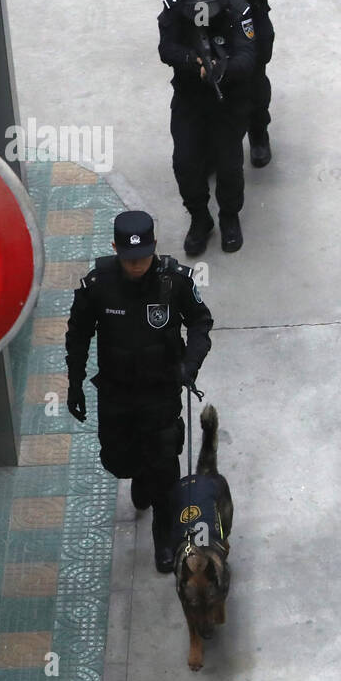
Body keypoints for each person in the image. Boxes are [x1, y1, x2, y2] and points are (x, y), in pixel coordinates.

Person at [65, 211, 214, 572]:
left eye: (143, 258)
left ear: (154, 249)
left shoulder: (174, 281)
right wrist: (74, 382)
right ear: (115, 249)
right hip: (116, 393)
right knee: (120, 461)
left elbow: (200, 321)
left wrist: (189, 365)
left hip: (160, 391)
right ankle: (140, 474)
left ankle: (165, 538)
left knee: (164, 467)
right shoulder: (98, 285)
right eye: (129, 259)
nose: (137, 266)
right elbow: (79, 333)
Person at [157, 0, 275, 166]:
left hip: (247, 16)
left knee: (254, 80)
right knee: (204, 83)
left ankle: (259, 133)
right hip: (200, 17)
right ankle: (213, 146)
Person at [158, 0, 258, 255]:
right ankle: (200, 218)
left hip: (229, 99)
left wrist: (221, 69)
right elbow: (166, 49)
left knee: (229, 165)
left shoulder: (238, 9)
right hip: (190, 97)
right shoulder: (175, 5)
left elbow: (248, 57)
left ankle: (229, 216)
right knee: (185, 162)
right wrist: (196, 62)